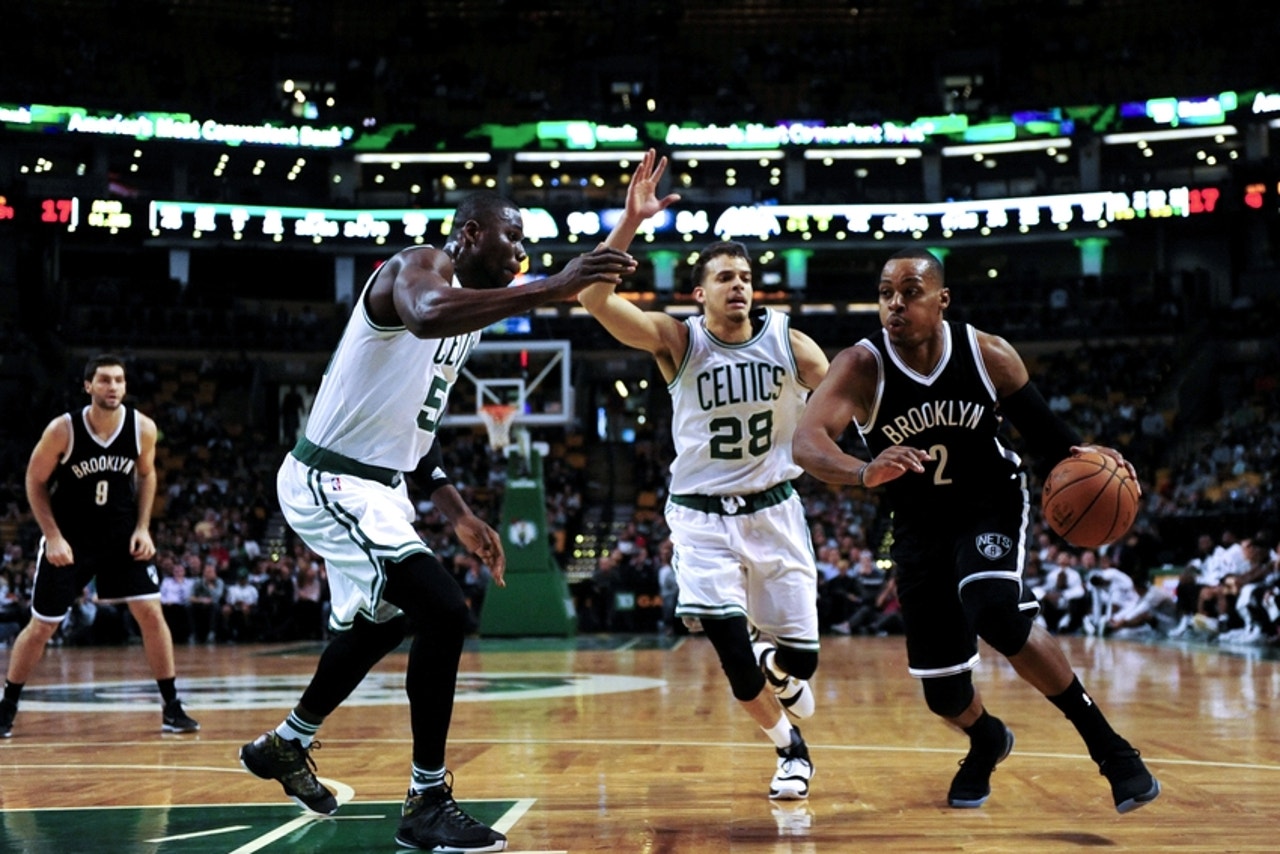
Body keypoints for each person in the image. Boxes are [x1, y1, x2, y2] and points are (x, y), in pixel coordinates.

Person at [237, 191, 637, 852]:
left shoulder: (469, 321)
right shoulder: (418, 268)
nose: (522, 255)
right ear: (472, 234)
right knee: (444, 611)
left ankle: (288, 743)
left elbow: (416, 436)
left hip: (382, 487)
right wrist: (552, 285)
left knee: (385, 619)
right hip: (329, 476)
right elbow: (424, 315)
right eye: (513, 241)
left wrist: (458, 512)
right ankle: (427, 799)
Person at [792, 248, 1160, 814]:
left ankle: (1112, 751)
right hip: (917, 527)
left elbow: (1051, 442)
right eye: (886, 292)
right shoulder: (861, 366)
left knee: (995, 609)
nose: (895, 303)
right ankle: (987, 739)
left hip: (988, 502)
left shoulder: (988, 354)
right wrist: (863, 470)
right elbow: (808, 443)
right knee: (945, 694)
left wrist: (1098, 460)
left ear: (942, 299)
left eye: (910, 291)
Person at [579, 150, 829, 800]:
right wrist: (629, 221)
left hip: (775, 509)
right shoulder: (678, 340)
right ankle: (789, 749)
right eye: (724, 277)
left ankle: (781, 663)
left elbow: (842, 408)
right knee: (728, 644)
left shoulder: (792, 344)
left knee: (799, 661)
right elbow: (593, 297)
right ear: (700, 293)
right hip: (699, 515)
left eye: (745, 276)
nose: (739, 285)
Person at [0, 354, 200, 737]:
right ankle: (7, 705)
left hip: (120, 536)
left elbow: (147, 475)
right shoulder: (63, 430)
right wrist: (53, 536)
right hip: (71, 539)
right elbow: (34, 481)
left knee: (150, 612)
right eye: (105, 380)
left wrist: (144, 527)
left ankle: (172, 707)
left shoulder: (142, 428)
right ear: (88, 386)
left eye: (119, 380)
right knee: (42, 627)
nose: (113, 387)